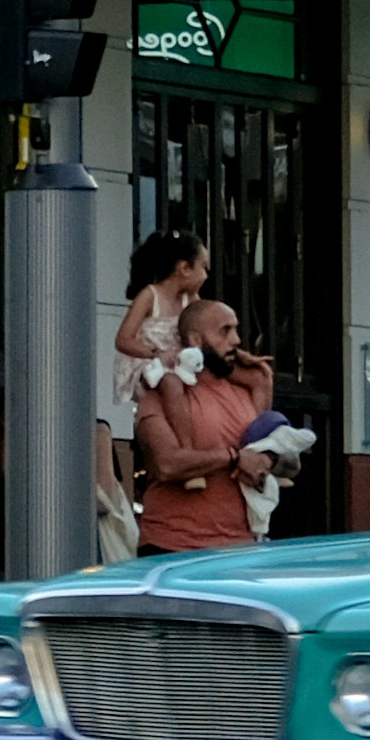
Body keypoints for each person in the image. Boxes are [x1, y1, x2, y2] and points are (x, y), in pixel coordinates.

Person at [134, 303, 280, 554]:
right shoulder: (164, 395)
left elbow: (272, 454)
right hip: (172, 547)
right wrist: (233, 458)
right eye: (224, 331)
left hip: (239, 548)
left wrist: (268, 459)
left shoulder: (247, 392)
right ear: (195, 340)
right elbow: (167, 464)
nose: (236, 340)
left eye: (236, 330)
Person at [98, 233, 206, 559]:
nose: (206, 275)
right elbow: (124, 339)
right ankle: (189, 456)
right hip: (148, 366)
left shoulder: (192, 301)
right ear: (183, 268)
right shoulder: (150, 296)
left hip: (178, 367)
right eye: (204, 267)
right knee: (173, 386)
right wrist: (157, 353)